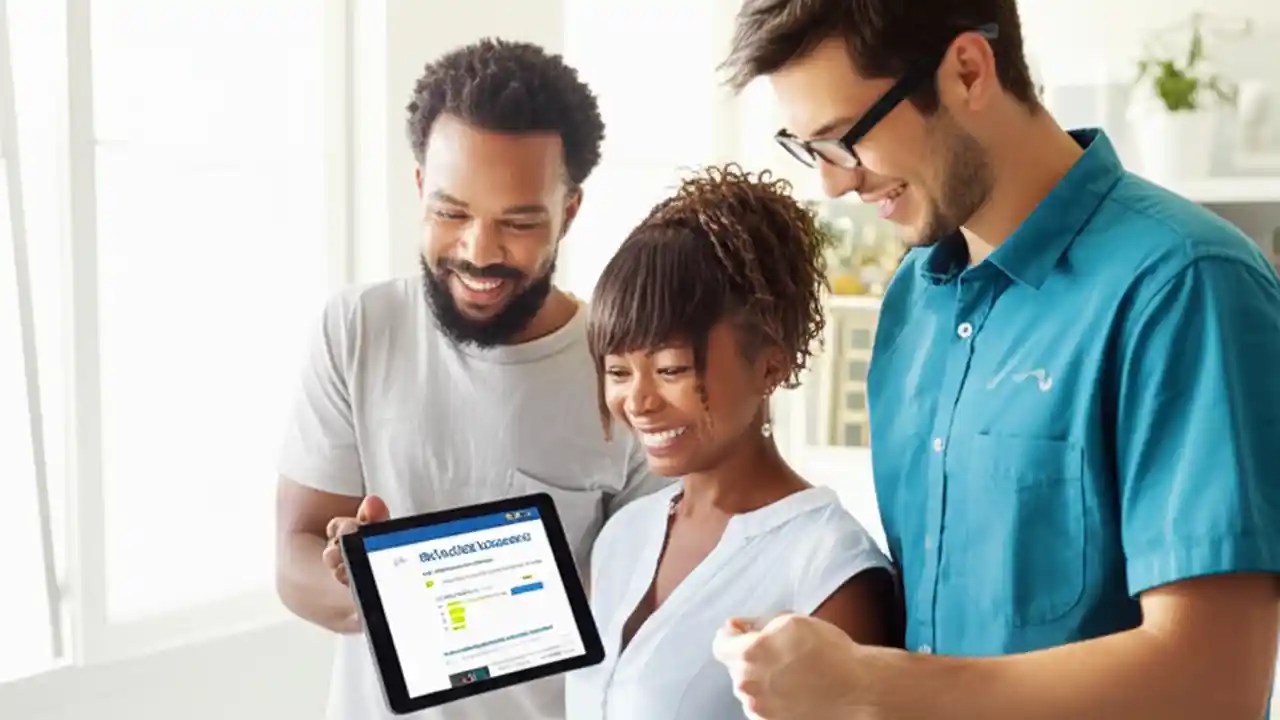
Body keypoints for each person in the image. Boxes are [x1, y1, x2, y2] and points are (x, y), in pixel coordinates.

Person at [711, 1, 1280, 718]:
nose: (835, 183)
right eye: (810, 149)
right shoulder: (914, 301)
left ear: (968, 72)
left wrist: (868, 684)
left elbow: (1216, 681)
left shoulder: (1185, 285)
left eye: (845, 139)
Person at [273, 38, 669, 720]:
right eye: (451, 213)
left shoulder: (623, 373)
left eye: (518, 222)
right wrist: (363, 583)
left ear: (570, 210)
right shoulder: (358, 329)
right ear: (420, 186)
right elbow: (294, 560)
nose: (479, 252)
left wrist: (414, 584)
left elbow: (649, 609)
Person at [564, 165, 900, 720]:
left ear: (769, 366)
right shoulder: (624, 535)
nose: (638, 401)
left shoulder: (830, 568)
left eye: (671, 370)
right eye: (618, 372)